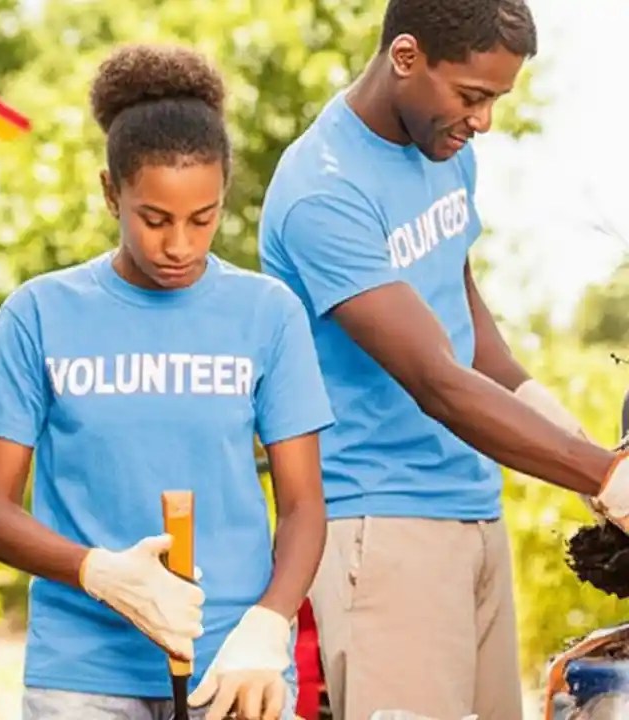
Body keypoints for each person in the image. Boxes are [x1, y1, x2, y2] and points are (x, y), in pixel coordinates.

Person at [258, 1, 629, 718]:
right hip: (384, 529)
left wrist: (581, 452)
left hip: (471, 509)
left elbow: (466, 327)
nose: (483, 121)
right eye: (472, 96)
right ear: (405, 57)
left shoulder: (443, 154)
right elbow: (435, 380)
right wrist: (606, 476)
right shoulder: (323, 191)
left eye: (494, 99)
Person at [0, 44, 335, 720]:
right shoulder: (40, 314)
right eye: (154, 219)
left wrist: (268, 626)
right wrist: (101, 572)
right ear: (110, 193)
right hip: (82, 675)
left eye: (203, 218)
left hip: (231, 668)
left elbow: (302, 505)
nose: (180, 244)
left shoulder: (267, 314)